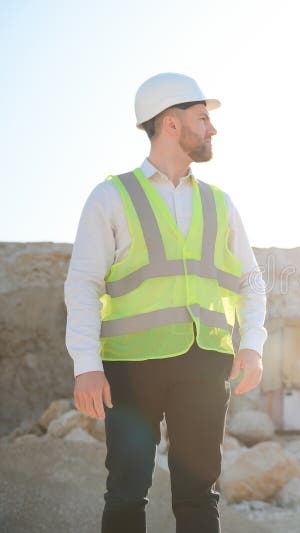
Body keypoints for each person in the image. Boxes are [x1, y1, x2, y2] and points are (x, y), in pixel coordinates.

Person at [64, 72, 267, 533]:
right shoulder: (111, 197)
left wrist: (252, 343)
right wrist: (86, 365)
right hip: (131, 369)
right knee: (126, 494)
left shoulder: (221, 203)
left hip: (205, 364)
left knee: (199, 496)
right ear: (171, 124)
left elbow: (250, 281)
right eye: (202, 118)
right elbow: (82, 284)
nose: (212, 129)